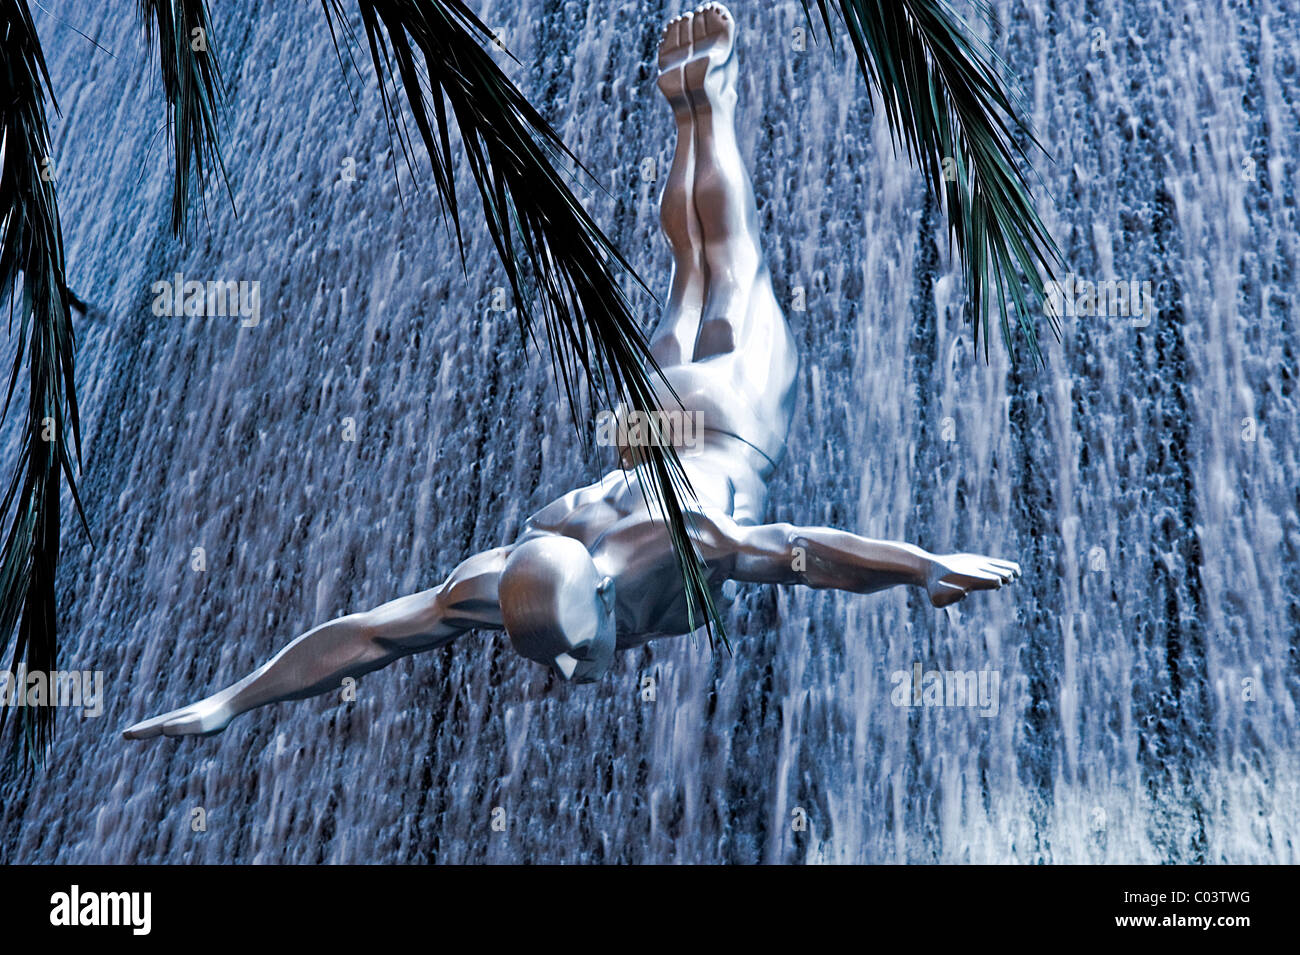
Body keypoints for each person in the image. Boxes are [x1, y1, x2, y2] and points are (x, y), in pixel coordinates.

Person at [124, 3, 1018, 741]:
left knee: (728, 259)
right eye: (555, 654)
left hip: (736, 410)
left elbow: (804, 553)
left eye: (571, 648)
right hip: (658, 416)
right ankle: (694, 111)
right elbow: (363, 637)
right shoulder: (504, 584)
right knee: (695, 261)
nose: (564, 672)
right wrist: (228, 701)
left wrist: (920, 567)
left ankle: (712, 103)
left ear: (596, 582)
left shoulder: (679, 540)